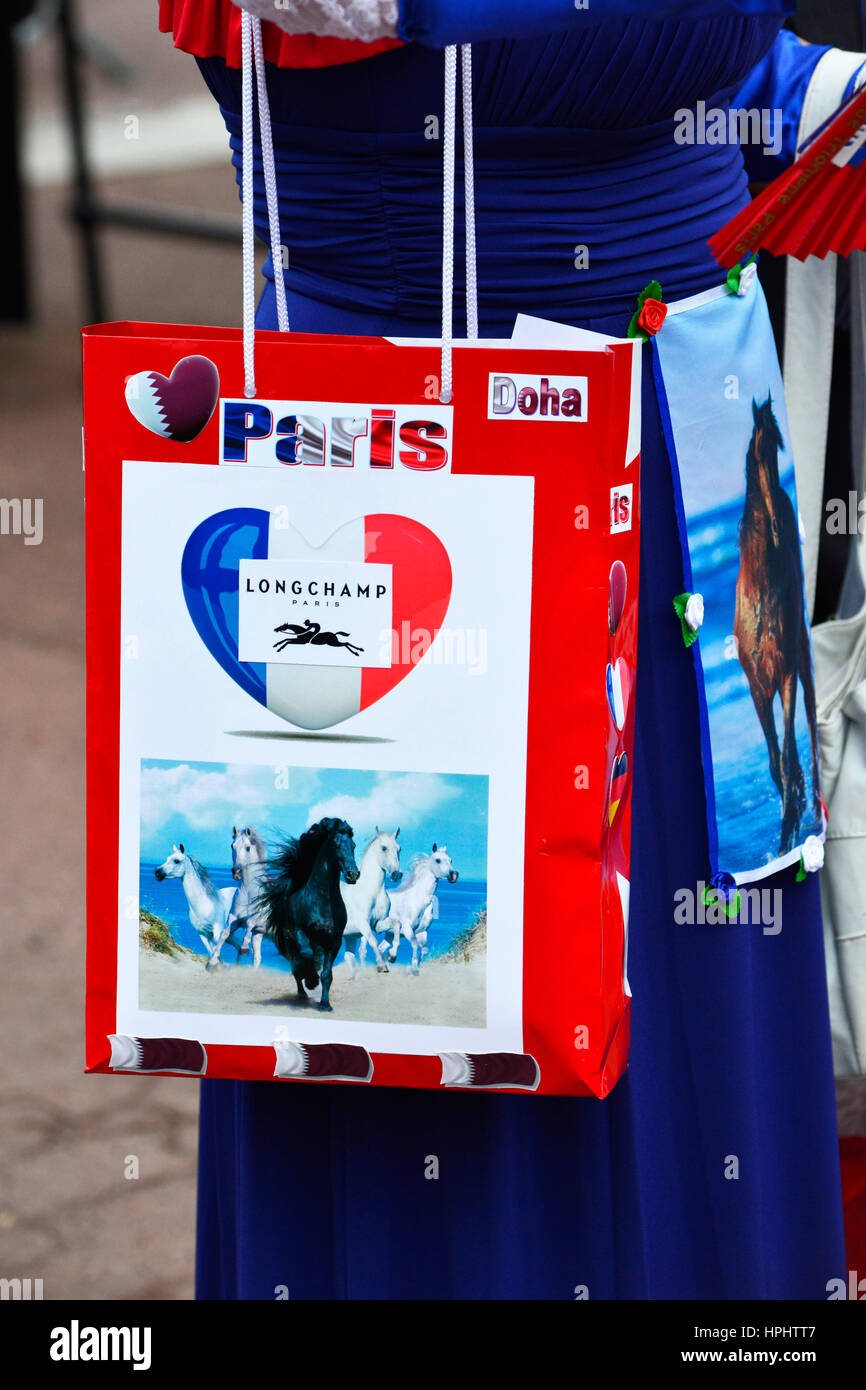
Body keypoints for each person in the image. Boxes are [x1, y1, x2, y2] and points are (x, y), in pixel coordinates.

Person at [158, 0, 851, 1298]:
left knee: (694, 1007)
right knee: (417, 1003)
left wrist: (794, 91)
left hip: (689, 445)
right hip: (419, 459)